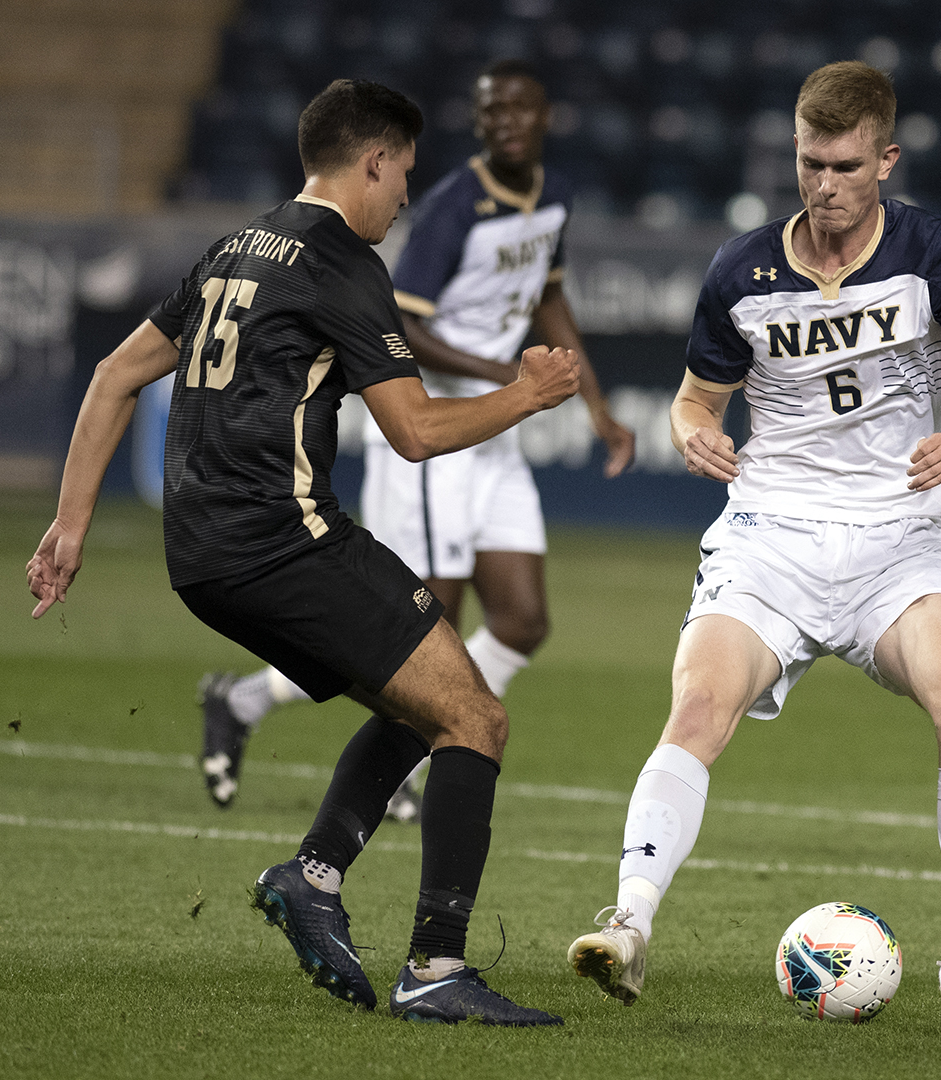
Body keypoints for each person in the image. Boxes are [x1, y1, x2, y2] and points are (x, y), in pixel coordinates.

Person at [25, 78, 578, 1027]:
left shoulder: (236, 245)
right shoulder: (342, 262)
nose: (406, 194)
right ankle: (436, 967)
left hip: (199, 555)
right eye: (403, 172)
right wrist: (527, 396)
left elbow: (115, 374)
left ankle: (314, 877)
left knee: (425, 698)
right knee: (478, 719)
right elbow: (414, 431)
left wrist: (69, 527)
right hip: (283, 541)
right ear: (372, 161)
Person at [564, 61, 941, 1033]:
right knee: (700, 702)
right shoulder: (741, 270)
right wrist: (689, 430)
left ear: (886, 158)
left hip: (896, 543)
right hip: (771, 537)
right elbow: (696, 398)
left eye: (842, 166)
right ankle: (627, 925)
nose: (822, 186)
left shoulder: (930, 256)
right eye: (807, 163)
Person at [197, 59, 635, 820]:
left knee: (524, 621)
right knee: (431, 630)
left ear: (545, 118)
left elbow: (550, 296)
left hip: (498, 428)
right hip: (434, 431)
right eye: (488, 111)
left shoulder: (553, 195)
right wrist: (506, 373)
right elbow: (403, 327)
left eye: (517, 110)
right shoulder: (448, 206)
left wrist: (592, 401)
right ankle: (416, 758)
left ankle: (244, 700)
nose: (502, 123)